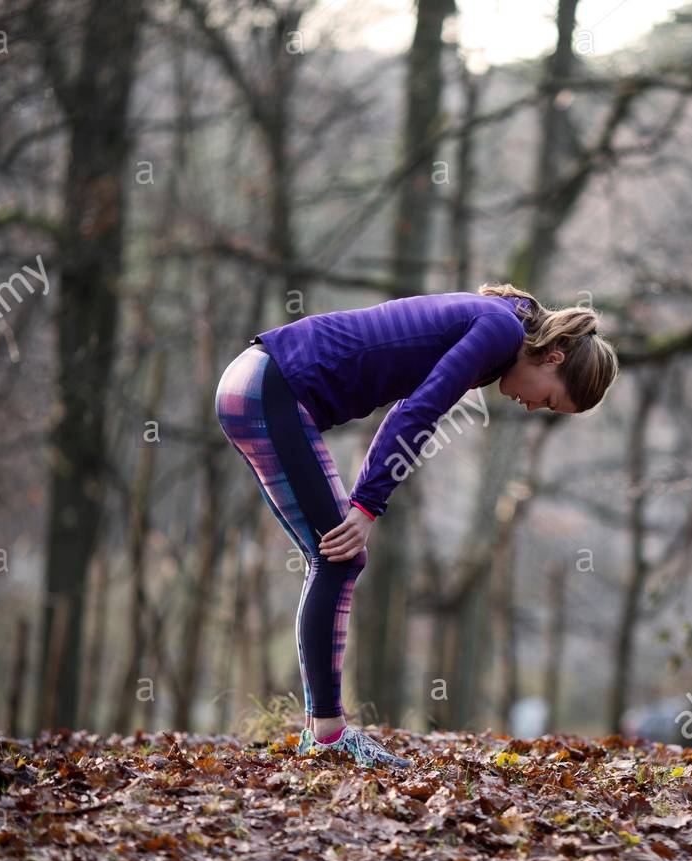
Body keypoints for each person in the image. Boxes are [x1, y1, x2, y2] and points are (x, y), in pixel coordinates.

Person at [214, 284, 619, 766]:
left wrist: (366, 503)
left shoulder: (501, 328)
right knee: (338, 557)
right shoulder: (500, 330)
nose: (533, 408)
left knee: (331, 557)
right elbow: (417, 411)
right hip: (270, 386)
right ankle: (327, 736)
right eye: (550, 400)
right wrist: (367, 505)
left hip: (257, 383)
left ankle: (322, 731)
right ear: (552, 358)